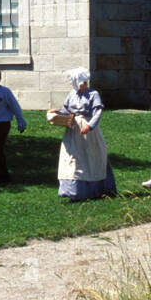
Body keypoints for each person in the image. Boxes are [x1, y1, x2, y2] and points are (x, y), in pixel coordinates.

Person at [54, 67, 117, 201]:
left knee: (91, 157)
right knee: (72, 158)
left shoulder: (93, 94)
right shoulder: (72, 94)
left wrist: (90, 125)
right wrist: (57, 113)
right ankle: (74, 191)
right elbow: (66, 109)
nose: (71, 83)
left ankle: (97, 189)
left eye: (72, 80)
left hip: (88, 130)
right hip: (73, 129)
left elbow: (98, 111)